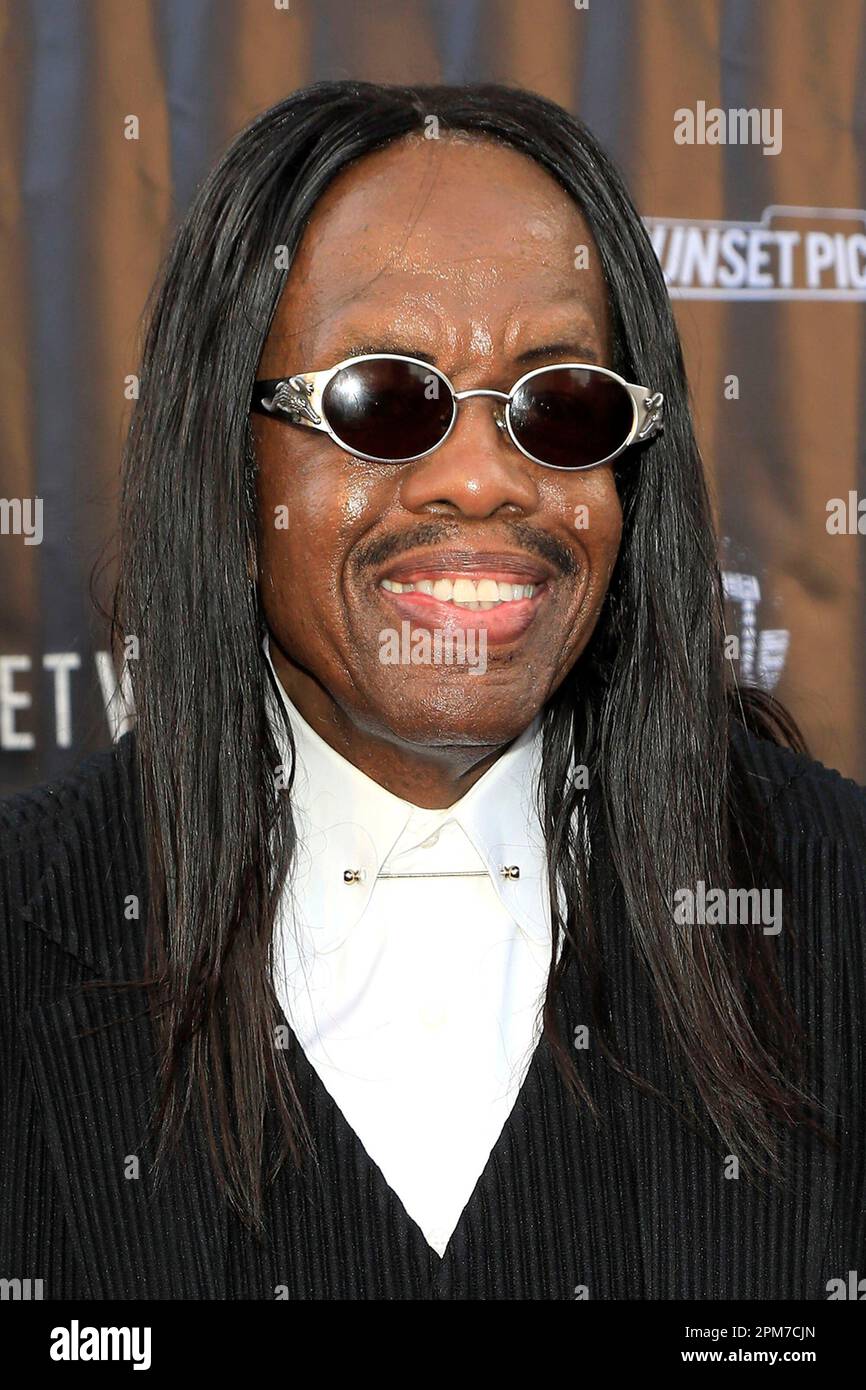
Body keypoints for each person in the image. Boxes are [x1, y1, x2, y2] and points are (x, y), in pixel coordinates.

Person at [1, 80, 864, 1301]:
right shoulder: (31, 921)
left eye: (557, 406)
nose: (479, 480)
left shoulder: (834, 910)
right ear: (225, 456)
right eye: (383, 401)